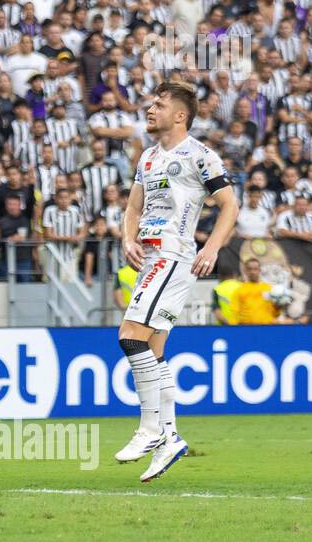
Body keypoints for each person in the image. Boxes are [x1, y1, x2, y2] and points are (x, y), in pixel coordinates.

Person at [117, 82, 238, 483]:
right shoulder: (149, 157)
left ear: (180, 115)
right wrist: (127, 238)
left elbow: (229, 205)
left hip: (173, 256)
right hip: (150, 256)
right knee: (153, 349)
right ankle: (170, 438)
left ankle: (150, 428)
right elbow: (133, 206)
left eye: (160, 105)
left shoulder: (200, 156)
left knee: (130, 336)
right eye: (151, 103)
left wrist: (213, 248)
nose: (150, 109)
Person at [233, 257, 282, 325]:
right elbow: (234, 313)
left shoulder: (269, 289)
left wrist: (278, 307)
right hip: (247, 329)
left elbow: (276, 313)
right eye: (249, 269)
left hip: (267, 328)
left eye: (255, 269)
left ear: (259, 270)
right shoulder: (239, 290)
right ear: (245, 271)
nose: (252, 272)